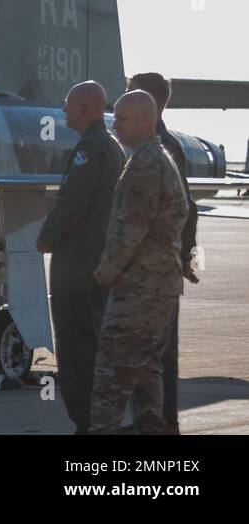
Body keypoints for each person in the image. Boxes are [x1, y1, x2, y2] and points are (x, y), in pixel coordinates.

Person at [89, 90, 188, 434]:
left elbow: (130, 231)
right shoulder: (154, 158)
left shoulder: (146, 165)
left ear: (145, 120)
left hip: (139, 292)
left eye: (122, 118)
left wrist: (105, 273)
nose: (115, 123)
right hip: (157, 288)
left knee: (111, 377)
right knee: (146, 371)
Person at [35, 81, 125, 433]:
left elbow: (73, 201)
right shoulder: (110, 146)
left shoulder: (91, 149)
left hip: (77, 263)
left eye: (68, 105)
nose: (63, 110)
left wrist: (46, 237)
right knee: (91, 339)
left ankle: (86, 422)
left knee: (75, 345)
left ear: (84, 109)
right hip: (96, 258)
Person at [127, 72, 199, 434]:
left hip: (152, 271)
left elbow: (185, 208)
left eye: (129, 93)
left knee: (159, 350)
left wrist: (183, 259)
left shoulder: (162, 148)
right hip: (156, 268)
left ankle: (163, 423)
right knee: (150, 351)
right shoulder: (158, 145)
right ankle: (151, 421)